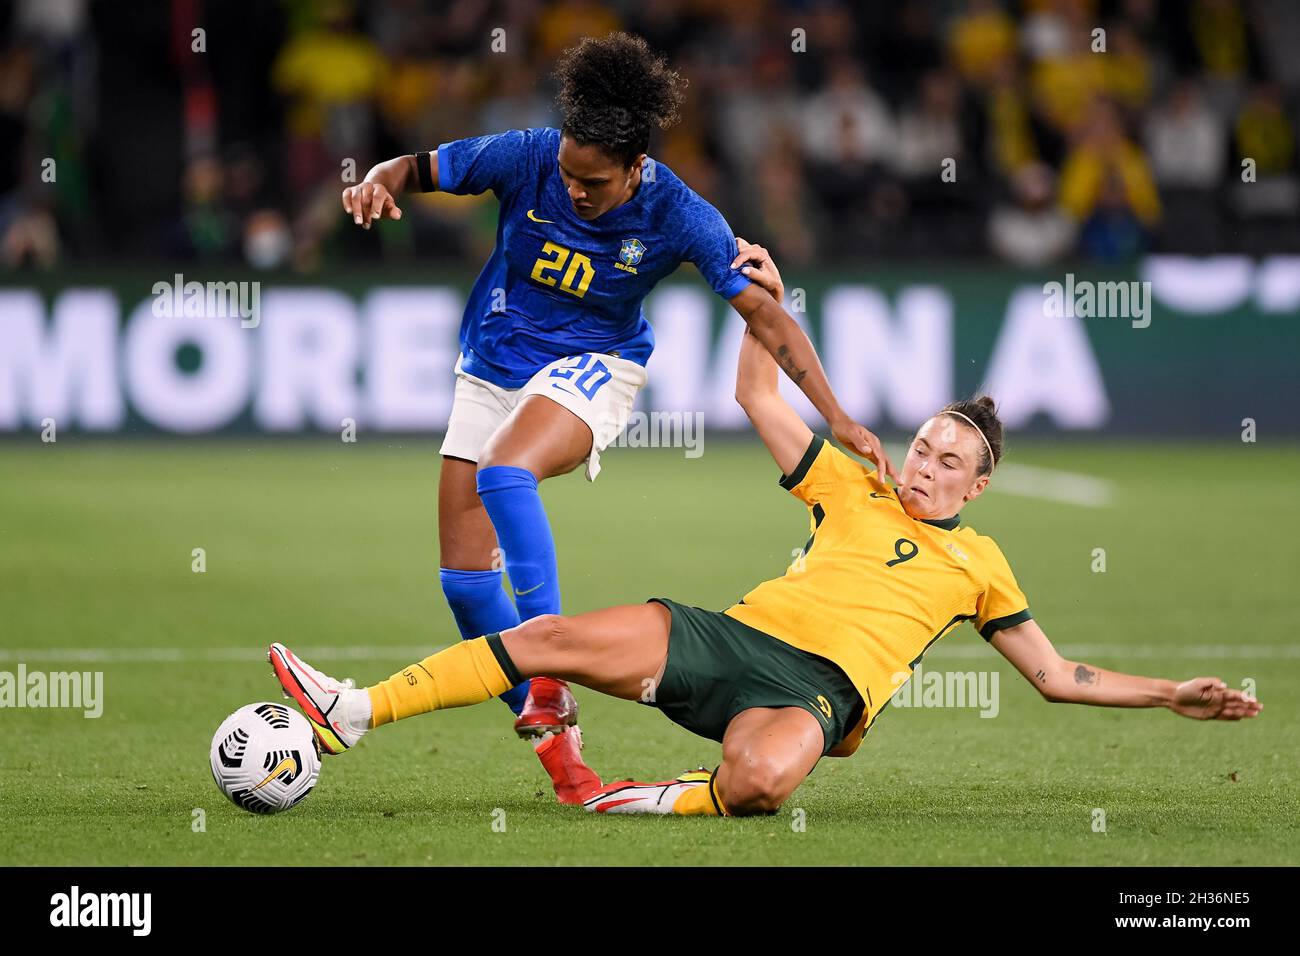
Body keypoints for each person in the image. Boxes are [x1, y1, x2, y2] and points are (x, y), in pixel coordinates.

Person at [268, 240, 1261, 817]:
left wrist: (1171, 691)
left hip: (816, 694)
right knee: (546, 638)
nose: (923, 463)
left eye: (947, 459)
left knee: (758, 785)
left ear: (979, 485)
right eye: (922, 445)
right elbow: (755, 392)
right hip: (728, 636)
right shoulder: (852, 479)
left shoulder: (981, 566)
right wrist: (766, 303)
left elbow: (1057, 675)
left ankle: (634, 798)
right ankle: (351, 710)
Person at [338, 33, 893, 801]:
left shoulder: (679, 212)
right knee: (465, 586)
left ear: (635, 167)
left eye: (593, 181)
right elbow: (415, 167)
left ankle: (547, 672)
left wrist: (838, 415)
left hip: (596, 367)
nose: (573, 191)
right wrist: (376, 178)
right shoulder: (526, 154)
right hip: (493, 362)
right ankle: (568, 768)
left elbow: (765, 317)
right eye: (567, 175)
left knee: (507, 471)